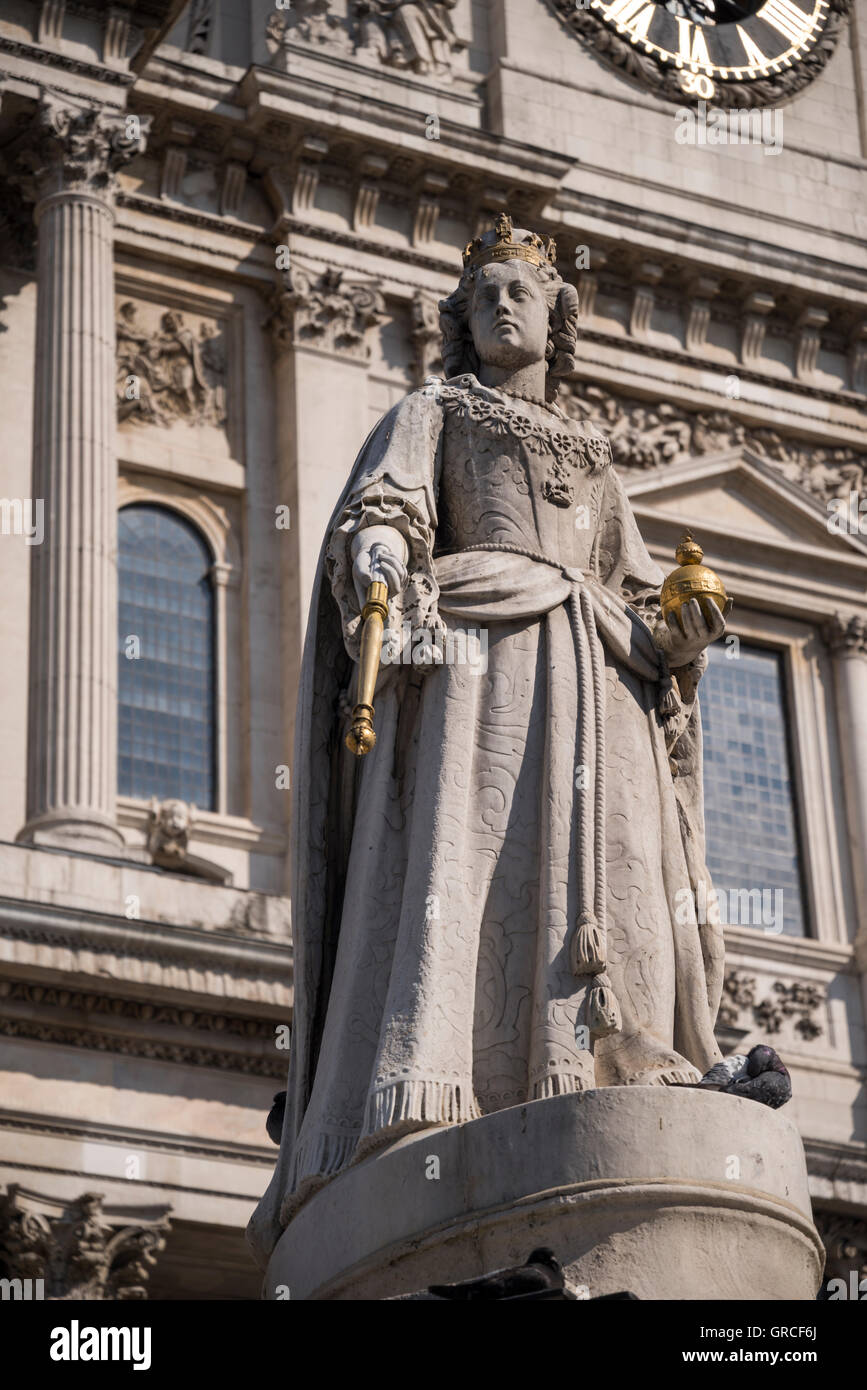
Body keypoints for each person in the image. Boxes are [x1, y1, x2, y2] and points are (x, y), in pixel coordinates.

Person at [249, 213, 728, 1263]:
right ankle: (444, 1071)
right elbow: (387, 506)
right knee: (468, 862)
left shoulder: (594, 451)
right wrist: (379, 556)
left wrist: (678, 629)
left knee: (612, 870)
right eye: (486, 294)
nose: (504, 304)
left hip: (596, 672)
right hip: (480, 662)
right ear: (462, 320)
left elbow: (633, 585)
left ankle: (613, 1050)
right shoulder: (433, 408)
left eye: (524, 291)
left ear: (557, 318)